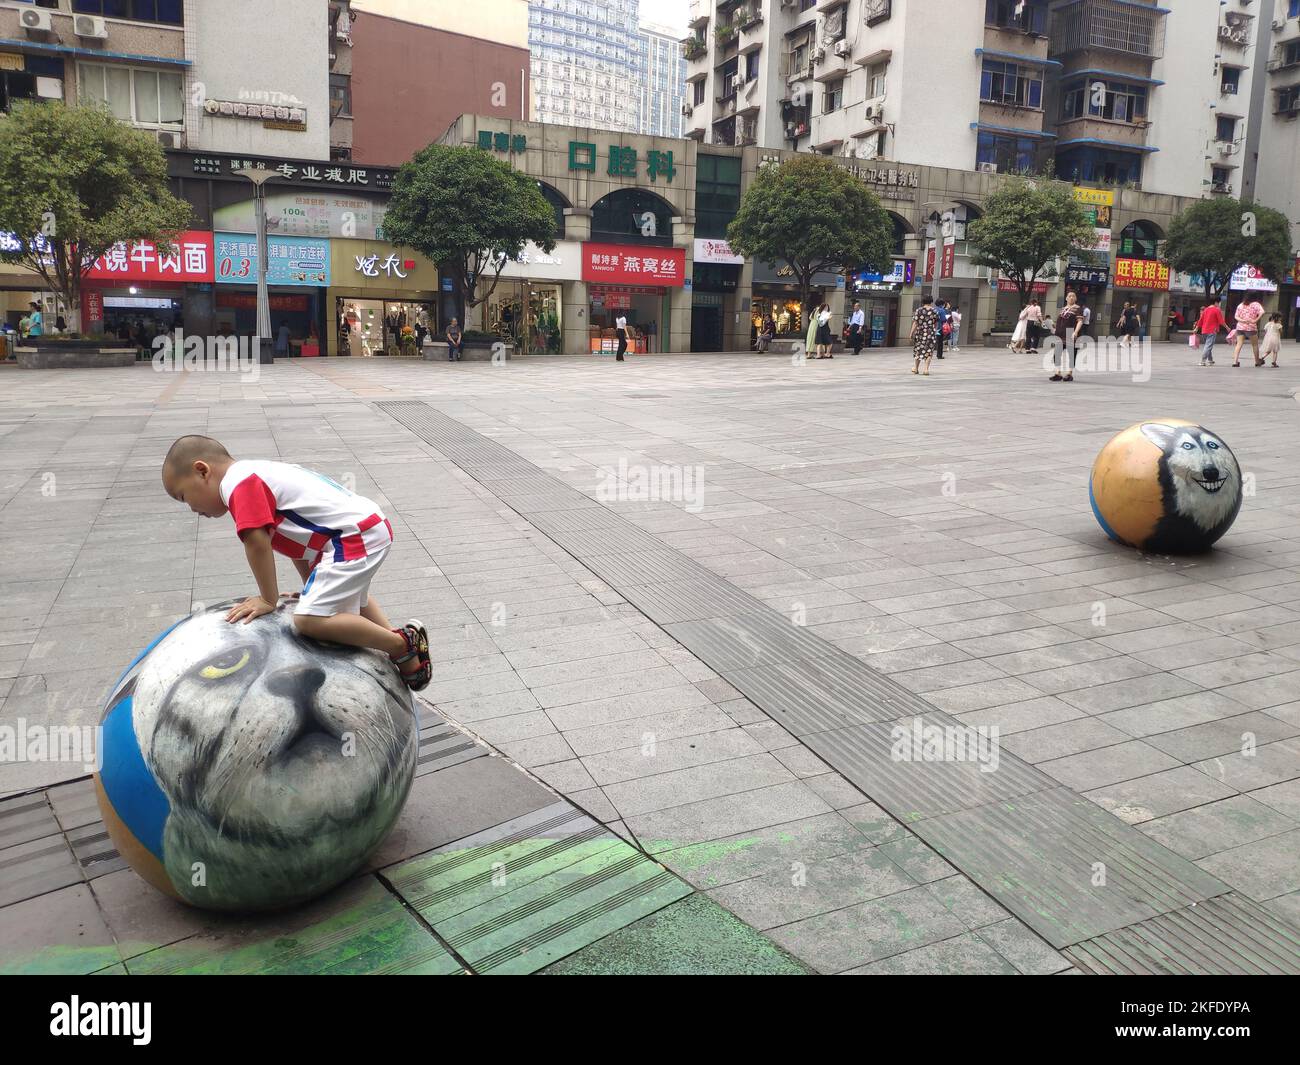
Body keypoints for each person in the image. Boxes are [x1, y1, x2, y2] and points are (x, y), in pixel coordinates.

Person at [160, 435, 430, 692]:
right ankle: (410, 659)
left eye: (184, 497)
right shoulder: (254, 474)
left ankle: (400, 644)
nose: (192, 509)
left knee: (310, 620)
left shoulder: (239, 484)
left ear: (202, 471)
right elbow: (299, 545)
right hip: (360, 529)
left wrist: (268, 598)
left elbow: (257, 543)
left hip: (352, 535)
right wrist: (311, 588)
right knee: (350, 601)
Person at [1050, 291, 1084, 382]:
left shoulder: (1078, 309)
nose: (1071, 297)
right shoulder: (1063, 309)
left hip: (1070, 333)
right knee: (1056, 354)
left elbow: (1080, 321)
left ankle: (1069, 374)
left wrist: (1076, 332)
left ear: (1076, 298)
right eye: (1069, 296)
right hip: (1060, 334)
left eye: (1073, 296)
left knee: (1072, 354)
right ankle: (1058, 373)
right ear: (1066, 298)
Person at [1231, 294, 1265, 367]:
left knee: (1239, 344)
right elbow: (1262, 312)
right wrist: (1255, 320)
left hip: (1240, 327)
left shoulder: (1240, 305)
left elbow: (1236, 316)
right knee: (1255, 345)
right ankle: (1257, 361)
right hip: (1251, 328)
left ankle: (1235, 361)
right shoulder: (1256, 304)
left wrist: (1243, 321)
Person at [909, 295, 939, 375]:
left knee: (918, 349)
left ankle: (915, 368)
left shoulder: (918, 310)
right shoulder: (934, 311)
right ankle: (926, 369)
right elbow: (935, 323)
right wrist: (933, 330)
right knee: (929, 351)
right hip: (930, 333)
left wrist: (911, 333)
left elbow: (915, 323)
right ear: (931, 301)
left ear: (923, 301)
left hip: (920, 333)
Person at [1193, 299, 1226, 366]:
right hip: (1212, 331)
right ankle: (1203, 361)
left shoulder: (1205, 309)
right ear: (1216, 303)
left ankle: (1210, 360)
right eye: (1219, 303)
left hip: (1204, 331)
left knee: (1208, 345)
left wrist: (1196, 328)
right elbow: (1221, 321)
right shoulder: (1217, 310)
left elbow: (1200, 320)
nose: (1219, 305)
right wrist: (1227, 328)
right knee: (1208, 346)